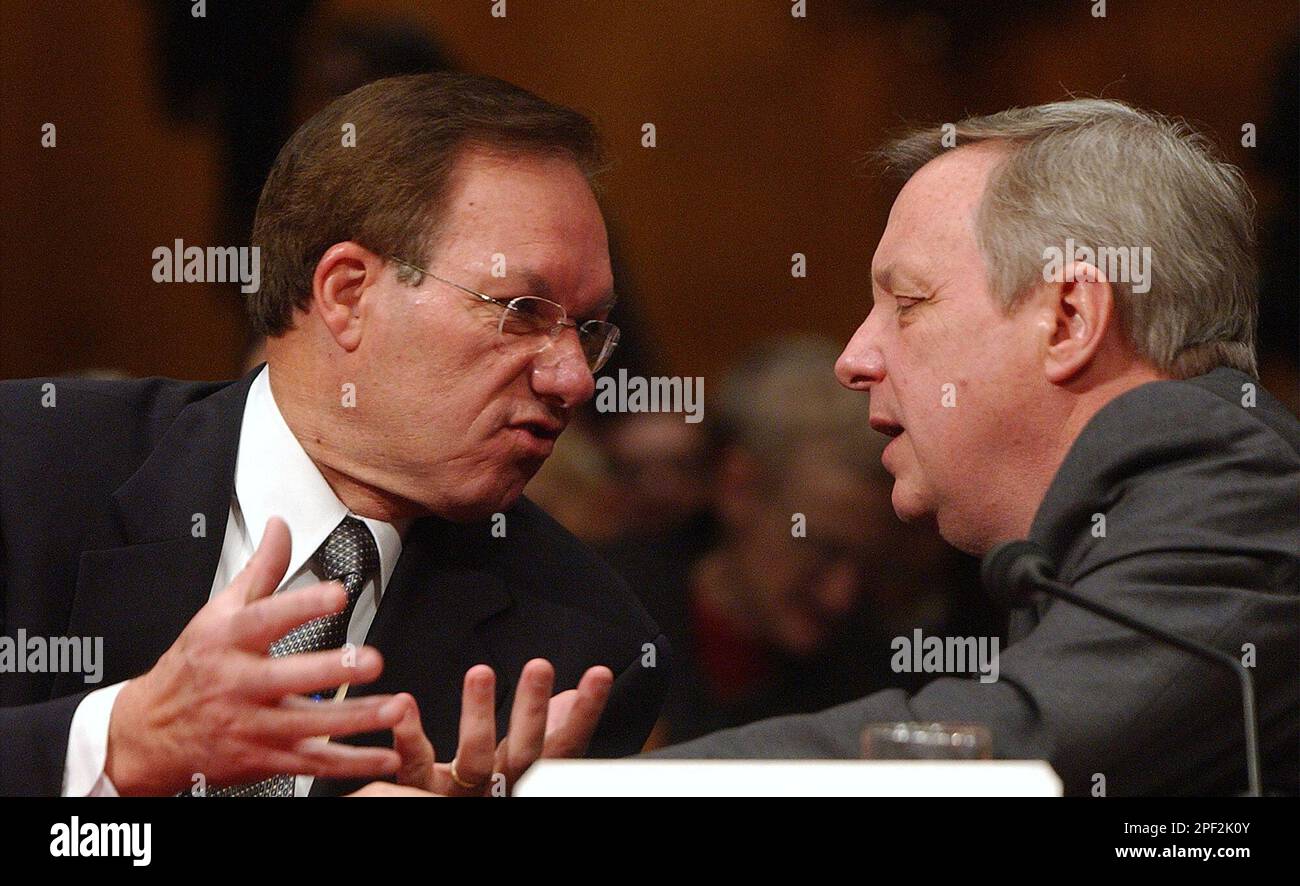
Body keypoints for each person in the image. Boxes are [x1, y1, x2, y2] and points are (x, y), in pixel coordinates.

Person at [0, 72, 669, 796]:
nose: (575, 378)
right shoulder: (26, 467)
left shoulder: (584, 647)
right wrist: (116, 747)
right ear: (347, 293)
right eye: (524, 310)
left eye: (590, 329)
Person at [653, 99, 1299, 796]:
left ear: (1069, 320)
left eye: (907, 304)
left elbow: (1019, 751)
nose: (853, 358)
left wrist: (585, 791)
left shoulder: (1236, 493)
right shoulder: (1099, 525)